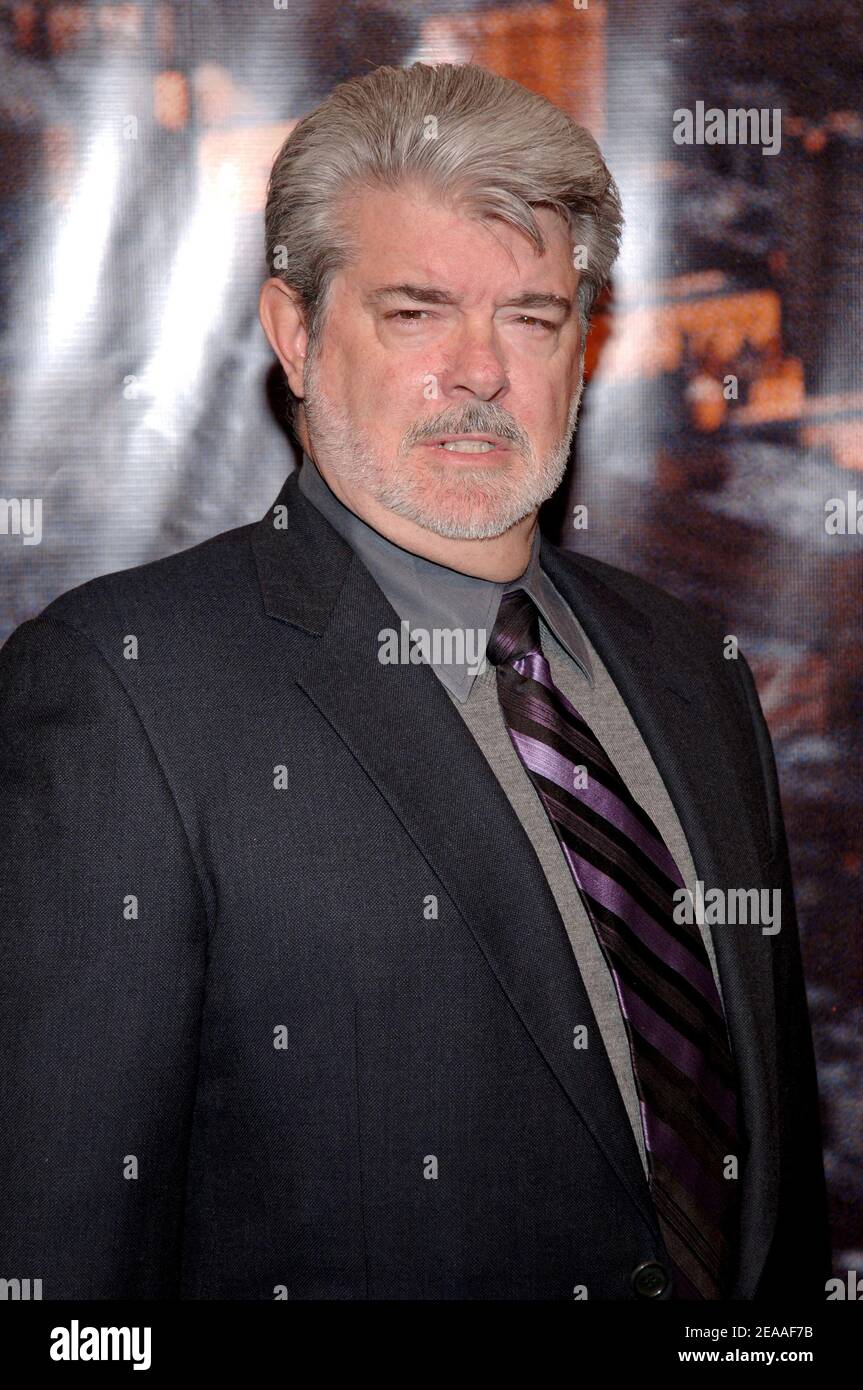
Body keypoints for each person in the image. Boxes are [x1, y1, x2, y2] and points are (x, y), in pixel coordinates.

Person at [0, 61, 828, 1300]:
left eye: (531, 317)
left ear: (585, 346)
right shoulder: (120, 695)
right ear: (294, 334)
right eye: (415, 313)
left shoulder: (688, 669)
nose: (480, 372)